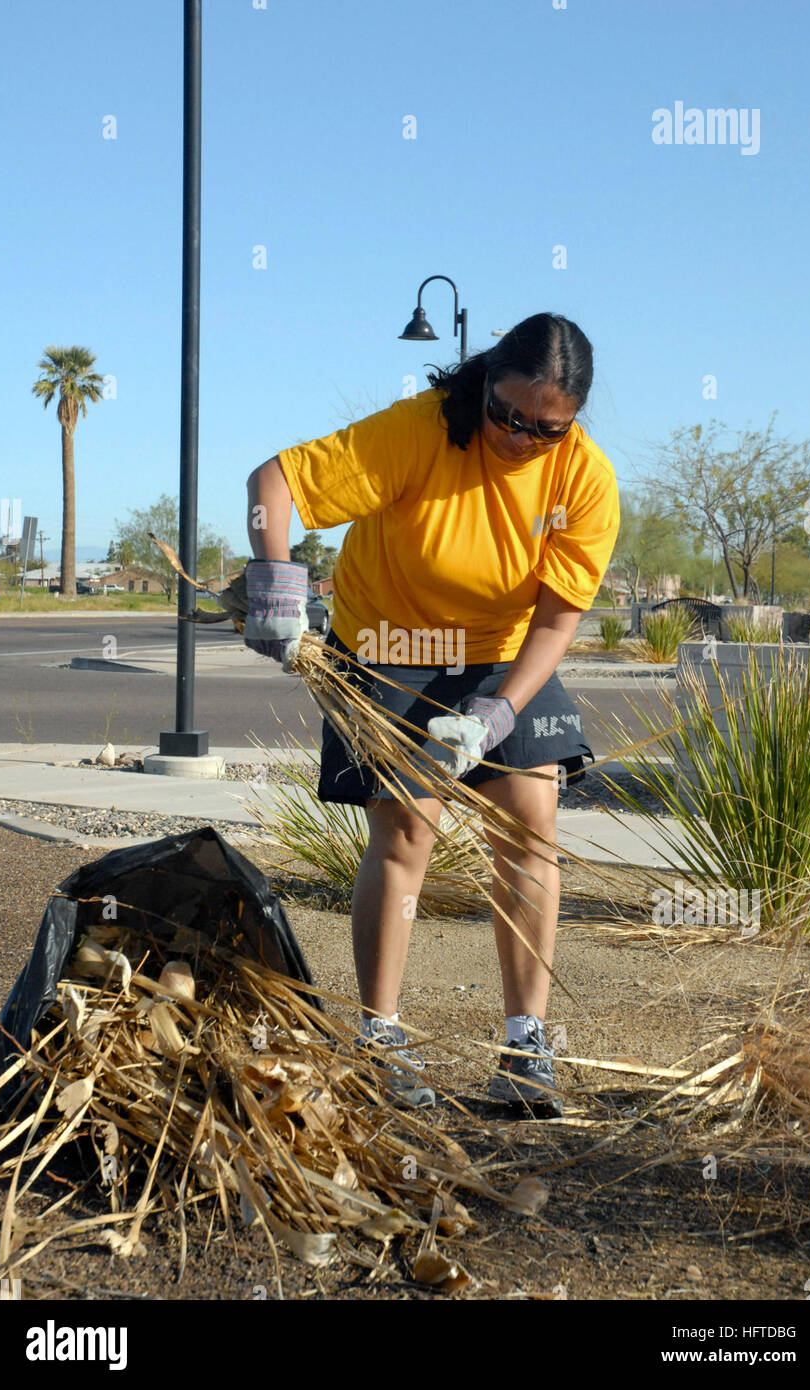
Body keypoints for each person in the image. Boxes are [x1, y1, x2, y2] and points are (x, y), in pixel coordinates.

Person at [244, 312, 620, 1113]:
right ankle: (379, 1039)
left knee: (530, 822)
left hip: (504, 652)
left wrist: (499, 711)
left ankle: (526, 1048)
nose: (519, 438)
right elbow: (272, 483)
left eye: (544, 429)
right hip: (389, 645)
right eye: (507, 415)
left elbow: (557, 618)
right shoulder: (419, 431)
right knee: (407, 828)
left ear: (573, 421)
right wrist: (274, 576)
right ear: (485, 383)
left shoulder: (583, 478)